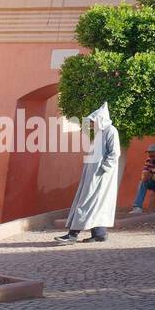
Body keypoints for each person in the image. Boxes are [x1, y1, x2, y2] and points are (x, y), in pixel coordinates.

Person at [55, 105, 120, 244]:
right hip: (93, 175)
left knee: (86, 201)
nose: (90, 124)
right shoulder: (100, 133)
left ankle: (73, 234)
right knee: (96, 203)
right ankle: (99, 234)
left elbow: (114, 153)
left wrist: (103, 169)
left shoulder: (110, 131)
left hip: (100, 176)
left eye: (92, 121)